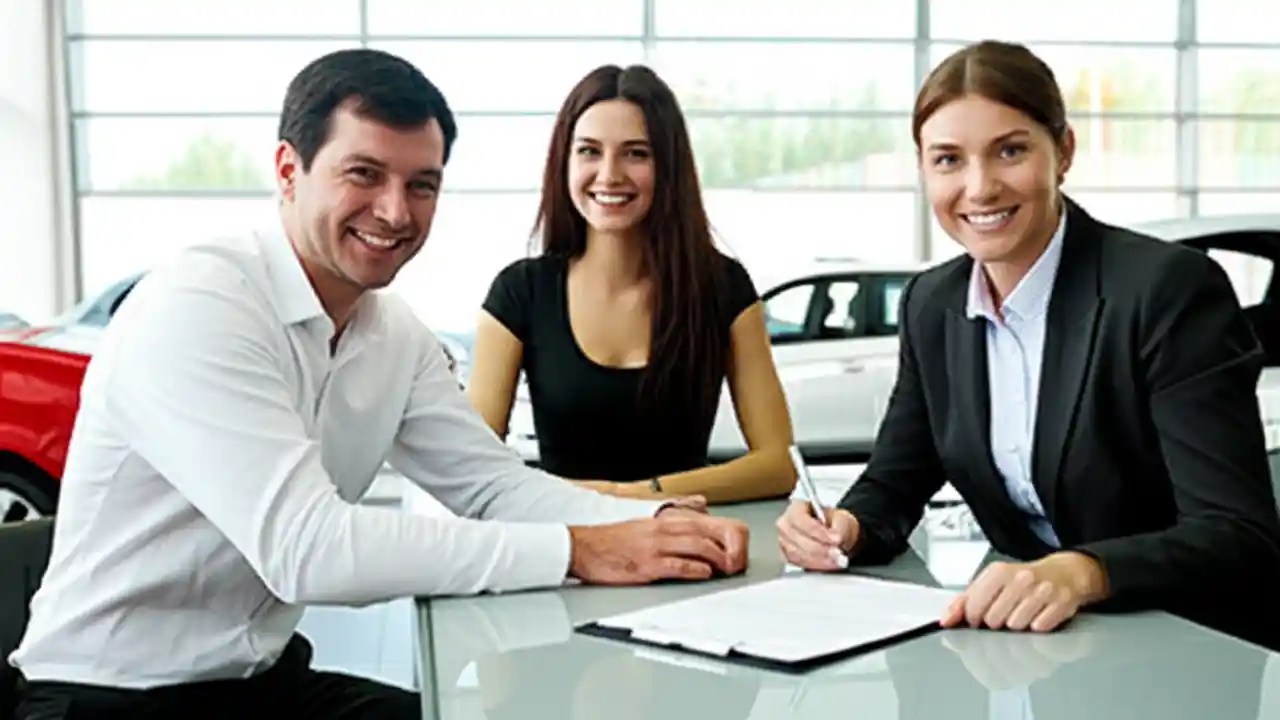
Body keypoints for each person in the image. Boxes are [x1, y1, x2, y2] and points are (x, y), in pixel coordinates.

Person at [9, 48, 749, 720]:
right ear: (288, 170)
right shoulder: (198, 304)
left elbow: (492, 489)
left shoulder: (391, 332)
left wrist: (655, 533)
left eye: (421, 185)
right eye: (364, 175)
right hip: (103, 700)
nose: (396, 212)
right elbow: (309, 549)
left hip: (260, 682)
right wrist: (582, 548)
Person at [776, 40, 1280, 650]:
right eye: (948, 160)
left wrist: (1083, 570)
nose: (980, 187)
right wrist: (844, 527)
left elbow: (1236, 532)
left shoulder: (1164, 290)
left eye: (1009, 151)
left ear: (1062, 152)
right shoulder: (932, 305)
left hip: (1177, 640)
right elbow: (894, 481)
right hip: (1025, 643)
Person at [466, 64, 795, 505]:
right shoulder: (519, 293)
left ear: (668, 167)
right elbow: (473, 466)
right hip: (562, 546)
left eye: (636, 153)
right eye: (589, 151)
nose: (609, 175)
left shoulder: (722, 287)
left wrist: (637, 495)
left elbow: (778, 465)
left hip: (687, 542)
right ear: (564, 162)